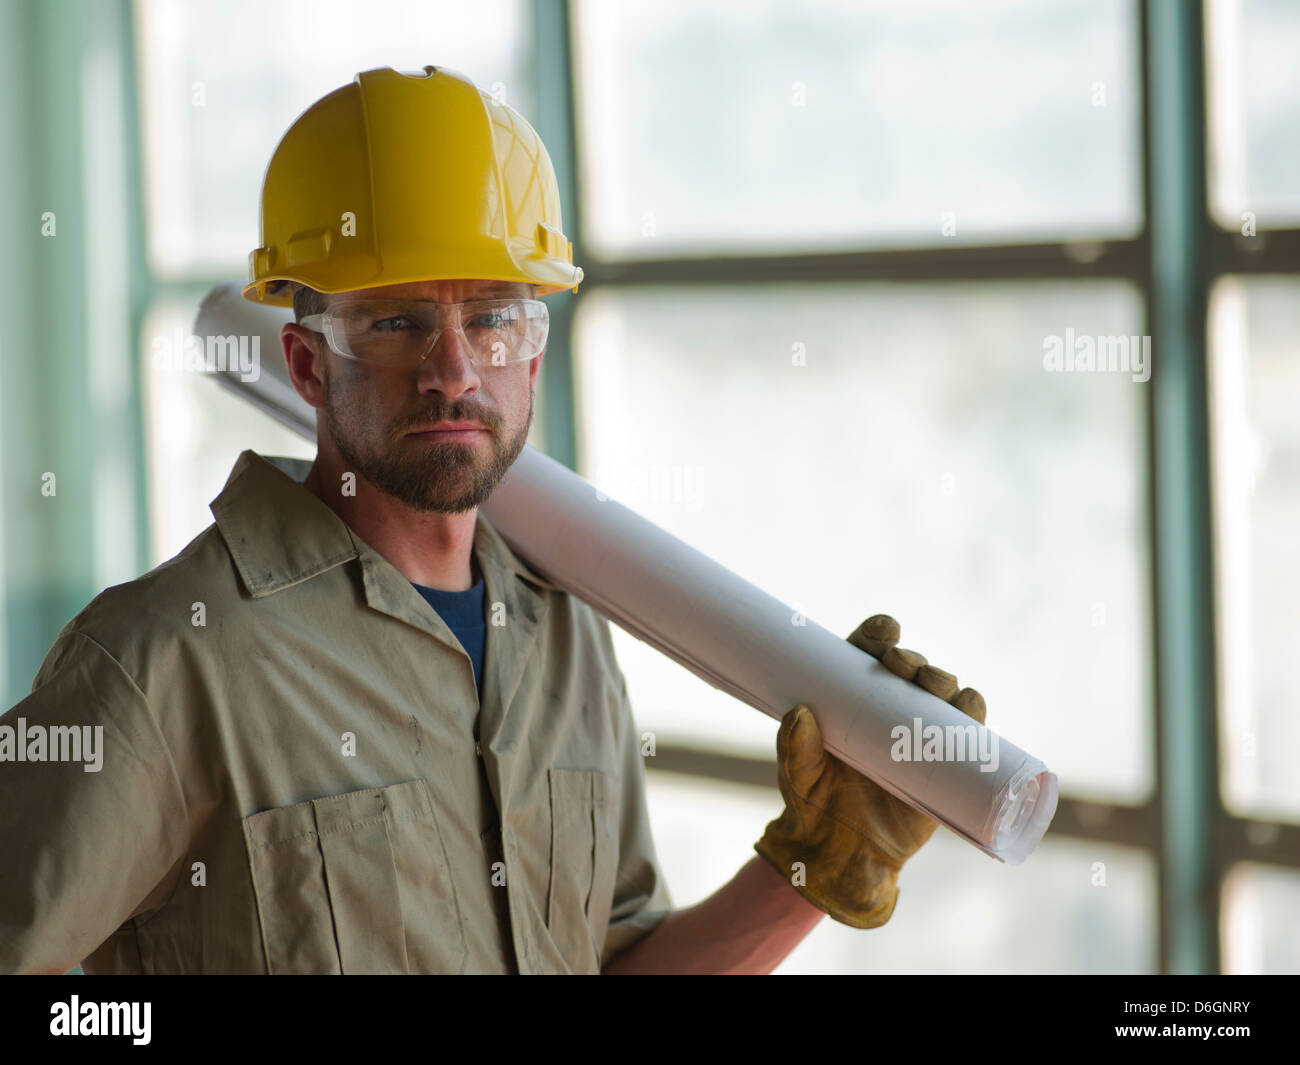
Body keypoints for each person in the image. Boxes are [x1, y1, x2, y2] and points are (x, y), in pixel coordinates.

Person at [0, 65, 986, 975]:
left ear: (533, 356)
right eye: (395, 322)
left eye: (491, 317)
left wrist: (808, 873)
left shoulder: (564, 633)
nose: (454, 368)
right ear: (305, 367)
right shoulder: (165, 661)